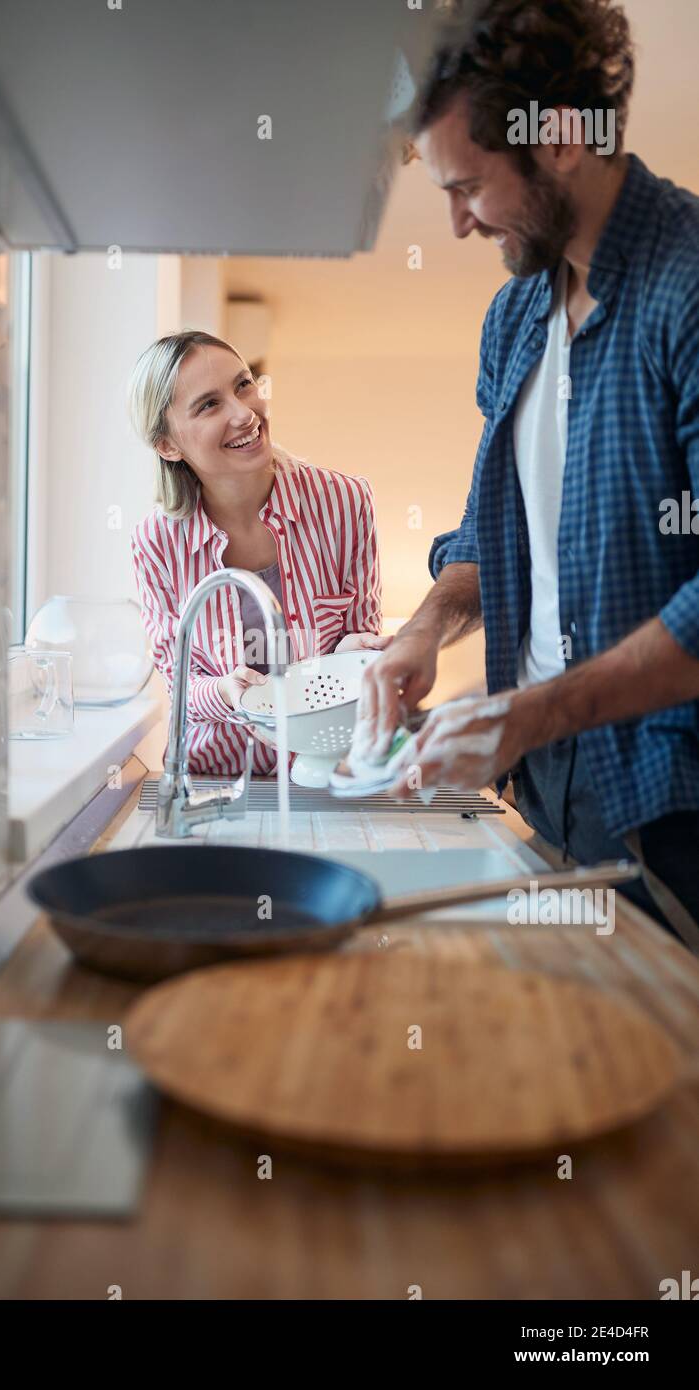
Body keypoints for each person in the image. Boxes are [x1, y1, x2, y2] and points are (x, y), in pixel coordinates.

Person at [354, 0, 699, 946]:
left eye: (467, 187)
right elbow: (489, 540)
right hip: (546, 786)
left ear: (558, 141)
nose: (459, 224)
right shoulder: (515, 322)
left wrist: (527, 711)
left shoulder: (688, 287)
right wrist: (425, 629)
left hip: (669, 809)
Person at [128, 330, 387, 776]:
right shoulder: (157, 542)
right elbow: (181, 688)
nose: (245, 413)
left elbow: (359, 655)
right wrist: (226, 691)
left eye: (243, 384)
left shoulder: (345, 502)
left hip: (323, 771)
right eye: (209, 404)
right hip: (219, 781)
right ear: (168, 445)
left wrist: (353, 653)